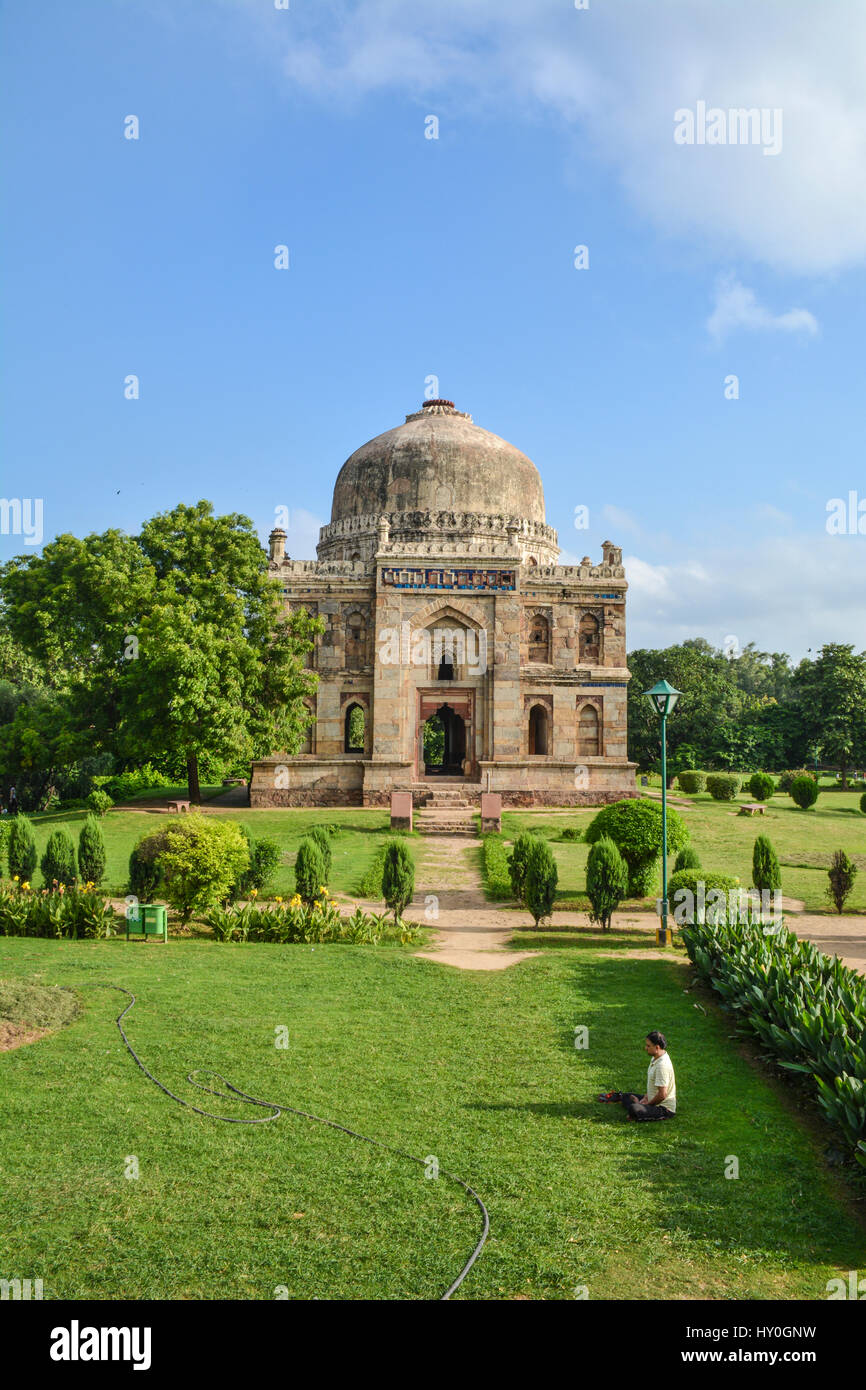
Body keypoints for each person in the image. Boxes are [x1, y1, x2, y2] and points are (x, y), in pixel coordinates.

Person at [597, 1031, 677, 1121]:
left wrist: (646, 1105)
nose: (645, 1048)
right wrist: (646, 1097)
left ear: (657, 1047)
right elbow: (655, 1088)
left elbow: (662, 1095)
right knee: (627, 1096)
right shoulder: (656, 1057)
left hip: (663, 1109)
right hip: (652, 1100)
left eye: (648, 1046)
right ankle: (630, 1103)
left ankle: (636, 1111)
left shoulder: (662, 1065)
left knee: (634, 1108)